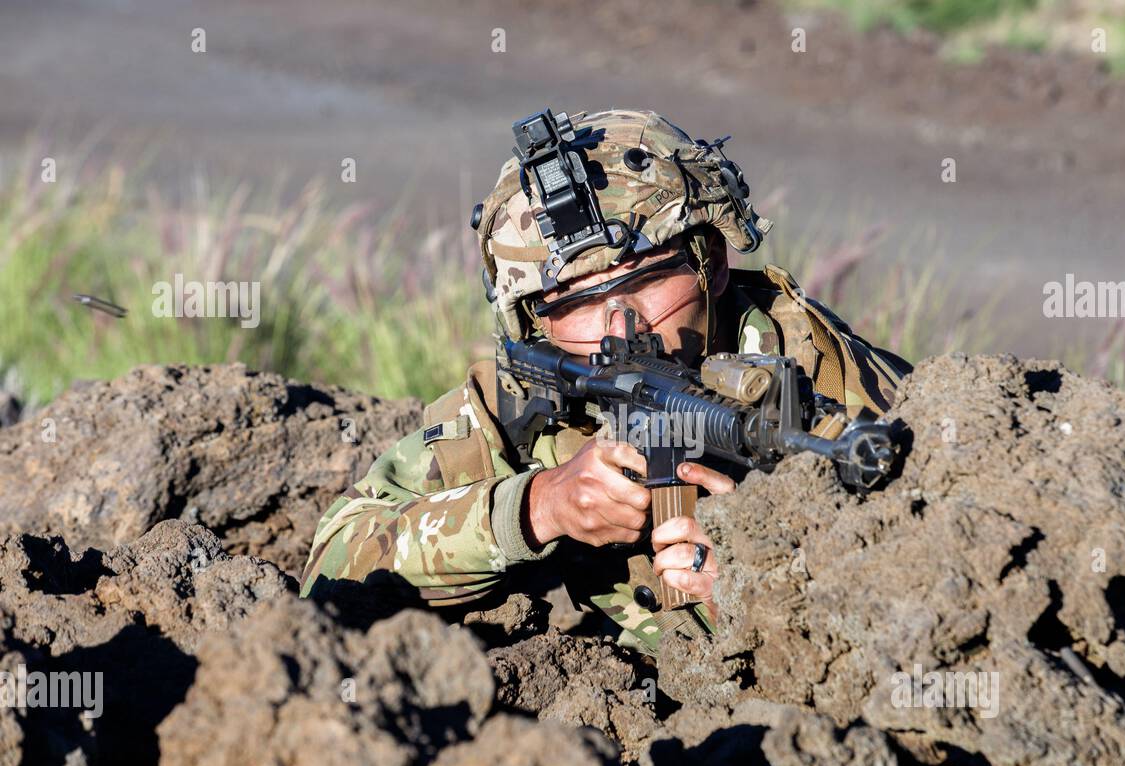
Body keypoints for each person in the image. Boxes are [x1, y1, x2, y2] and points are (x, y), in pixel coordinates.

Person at [300, 108, 910, 656]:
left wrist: (768, 591)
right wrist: (537, 508)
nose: (623, 325)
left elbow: (937, 589)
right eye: (578, 302)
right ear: (536, 318)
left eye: (646, 281)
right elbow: (331, 568)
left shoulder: (827, 387)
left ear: (713, 264)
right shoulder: (529, 398)